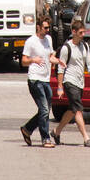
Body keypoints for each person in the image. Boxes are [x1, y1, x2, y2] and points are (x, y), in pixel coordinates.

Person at [52, 18, 90, 147]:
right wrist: (60, 87)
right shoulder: (67, 48)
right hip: (69, 81)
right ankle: (86, 138)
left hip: (80, 82)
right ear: (74, 32)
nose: (83, 35)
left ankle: (56, 132)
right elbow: (61, 68)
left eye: (84, 32)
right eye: (81, 33)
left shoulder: (85, 46)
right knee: (78, 109)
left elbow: (89, 65)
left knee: (72, 110)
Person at [20, 15, 60, 147]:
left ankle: (27, 129)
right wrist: (33, 60)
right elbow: (23, 61)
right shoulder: (31, 41)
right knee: (44, 109)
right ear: (38, 27)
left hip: (45, 79)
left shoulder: (48, 39)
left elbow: (50, 56)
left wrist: (57, 61)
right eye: (45, 27)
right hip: (35, 79)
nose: (47, 30)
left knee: (46, 110)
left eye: (49, 27)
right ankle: (45, 138)